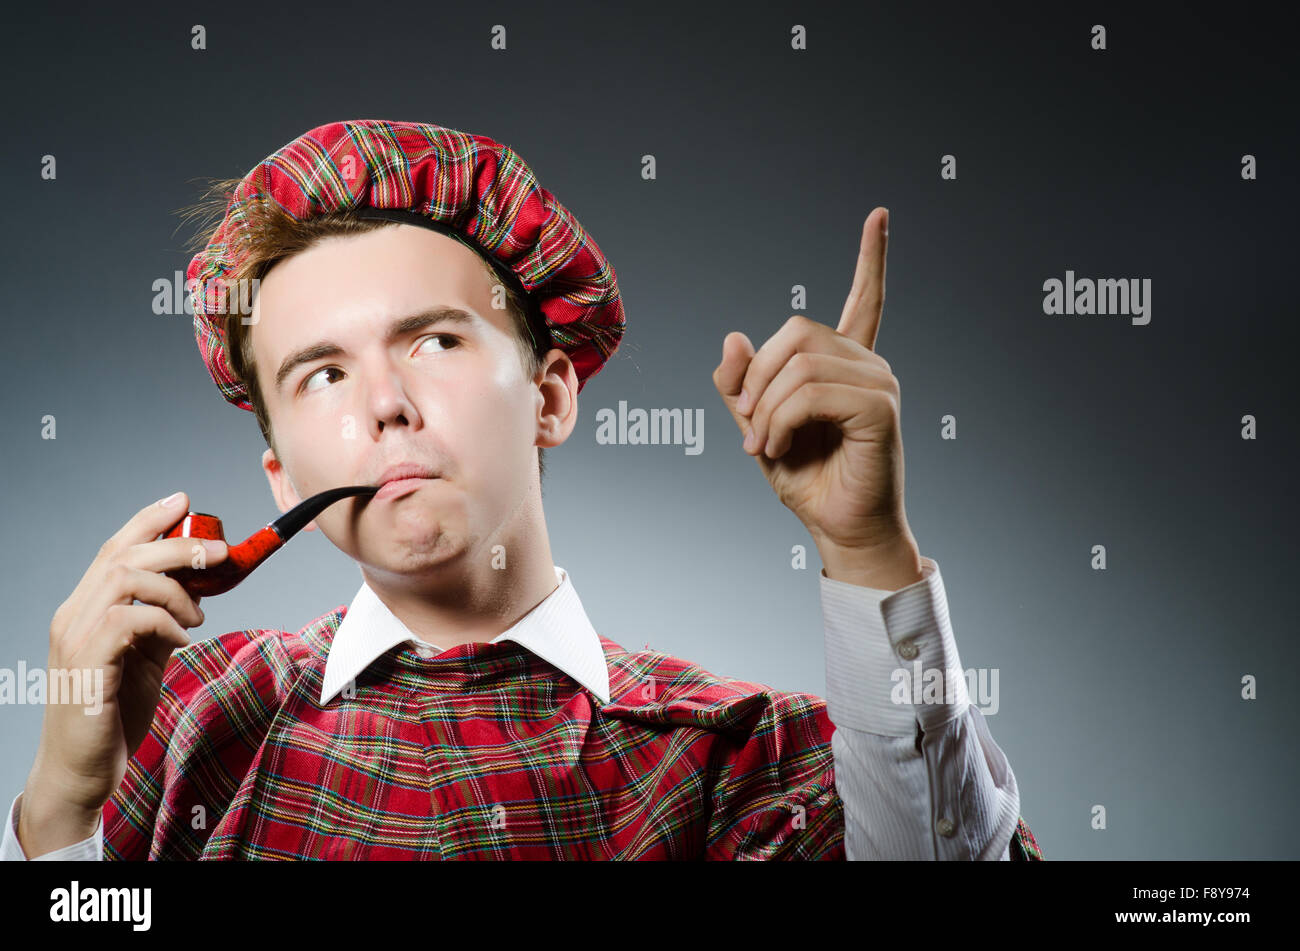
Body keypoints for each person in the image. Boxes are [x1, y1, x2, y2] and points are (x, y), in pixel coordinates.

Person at [3, 119, 1042, 860]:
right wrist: (60, 813)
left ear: (550, 397)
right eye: (321, 374)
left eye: (435, 340)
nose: (386, 406)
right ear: (281, 474)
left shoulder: (747, 755)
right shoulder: (193, 727)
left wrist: (867, 558)